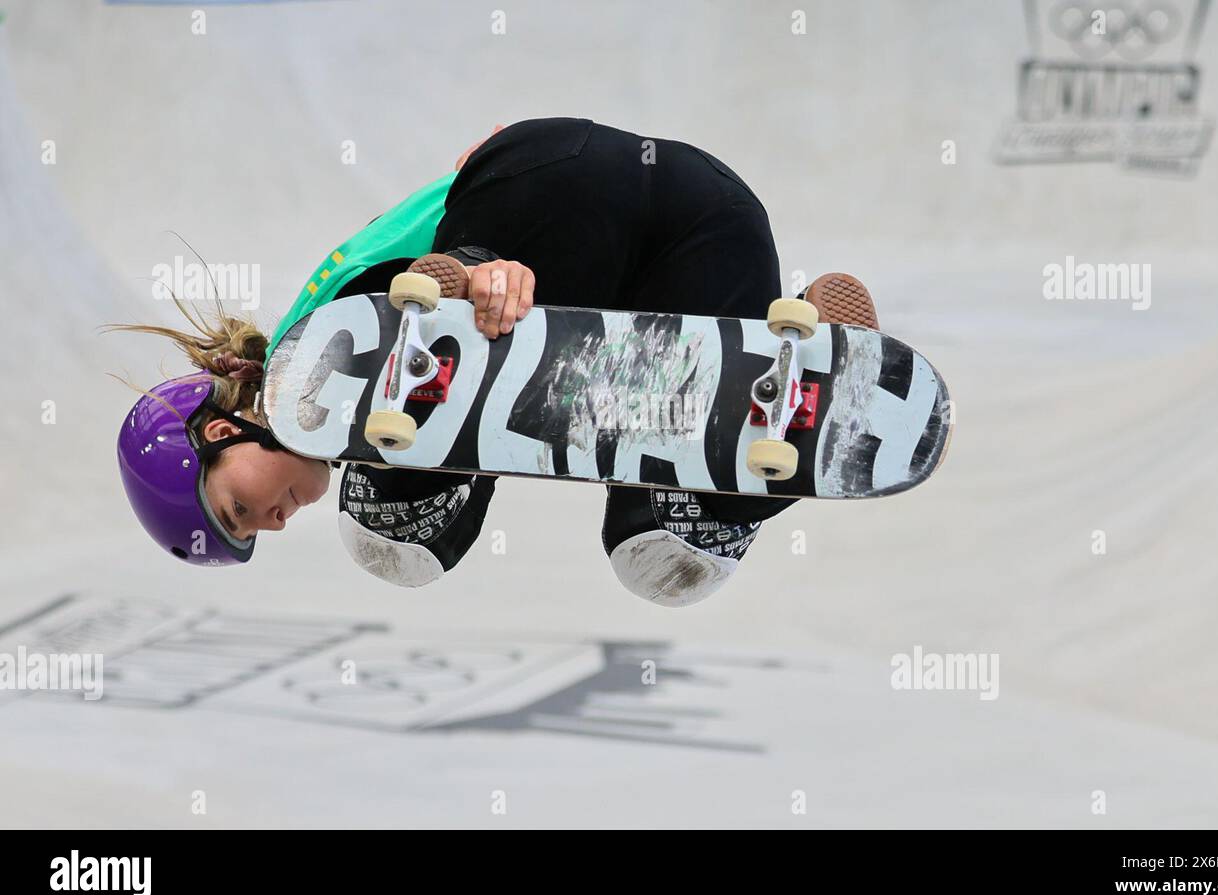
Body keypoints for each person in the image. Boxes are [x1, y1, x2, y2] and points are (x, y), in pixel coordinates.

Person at [114, 118, 877, 604]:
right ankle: (810, 371)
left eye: (238, 509)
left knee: (388, 532)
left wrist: (468, 270)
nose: (271, 523)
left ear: (218, 436)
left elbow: (379, 288)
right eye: (251, 534)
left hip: (548, 224)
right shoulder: (319, 359)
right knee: (668, 555)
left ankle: (446, 311)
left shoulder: (310, 355)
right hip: (710, 213)